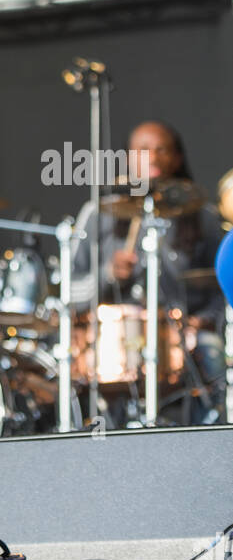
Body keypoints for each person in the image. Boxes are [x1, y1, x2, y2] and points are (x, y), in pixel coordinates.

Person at [71, 120, 227, 424]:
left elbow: (223, 287)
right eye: (143, 150)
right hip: (111, 347)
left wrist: (204, 320)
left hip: (186, 343)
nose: (153, 158)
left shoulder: (203, 218)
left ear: (177, 158)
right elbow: (68, 291)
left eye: (162, 150)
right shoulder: (98, 214)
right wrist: (107, 274)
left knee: (214, 354)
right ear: (129, 157)